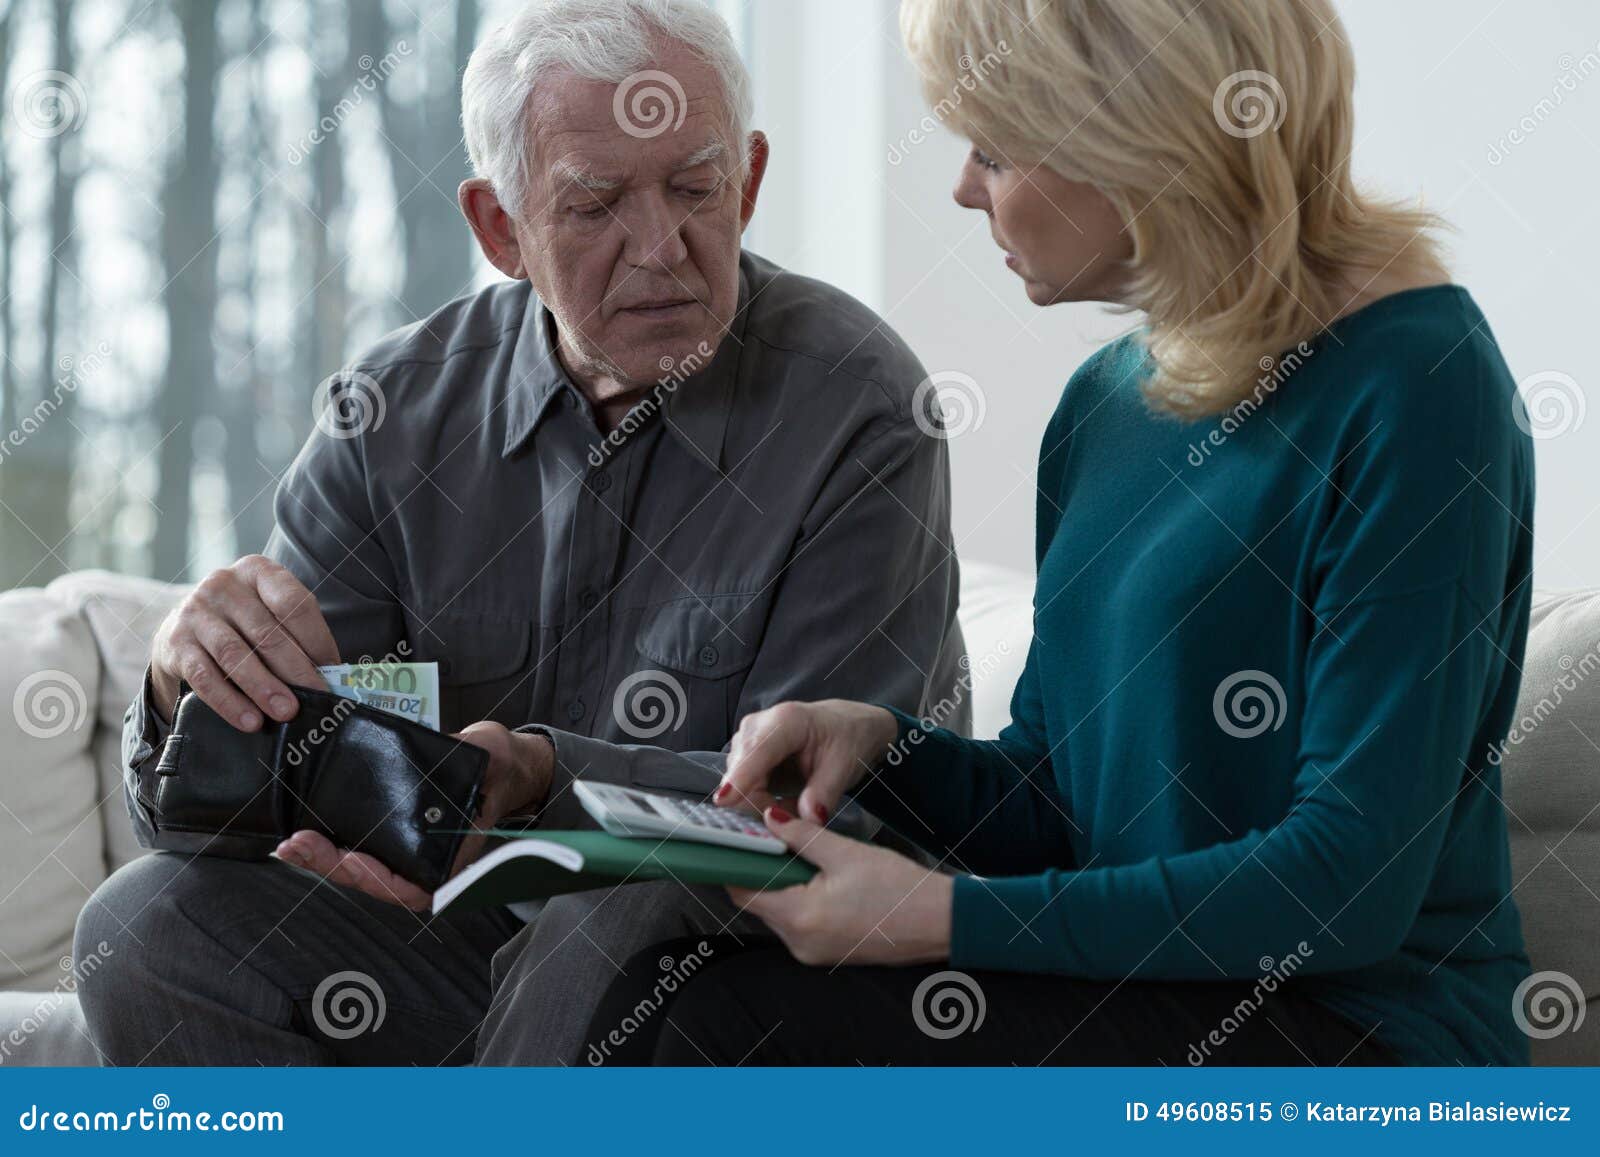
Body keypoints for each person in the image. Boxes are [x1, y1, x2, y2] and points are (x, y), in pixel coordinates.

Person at [591, 0, 1535, 1066]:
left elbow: (1347, 886)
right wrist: (878, 748)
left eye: (994, 151)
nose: (963, 187)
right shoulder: (1105, 403)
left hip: (1356, 1042)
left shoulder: (1419, 378)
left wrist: (934, 916)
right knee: (670, 990)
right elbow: (1055, 801)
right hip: (1137, 1001)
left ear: (1134, 140)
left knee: (722, 1027)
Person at [74, 0, 967, 1067]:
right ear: (500, 228)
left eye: (695, 188)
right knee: (146, 925)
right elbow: (280, 776)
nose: (661, 249)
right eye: (595, 205)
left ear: (749, 182)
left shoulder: (859, 402)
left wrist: (549, 778)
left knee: (615, 907)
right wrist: (188, 686)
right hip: (457, 953)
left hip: (739, 970)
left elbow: (830, 808)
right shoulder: (389, 416)